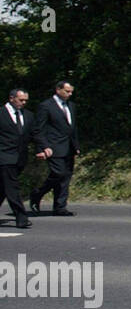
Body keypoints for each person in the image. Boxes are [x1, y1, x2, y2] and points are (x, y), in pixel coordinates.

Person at [30, 80, 79, 216]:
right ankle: (38, 193)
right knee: (58, 173)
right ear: (58, 90)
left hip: (68, 147)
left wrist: (76, 146)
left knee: (66, 177)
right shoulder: (46, 106)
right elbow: (38, 129)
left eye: (71, 92)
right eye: (67, 91)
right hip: (53, 146)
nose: (69, 94)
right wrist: (43, 147)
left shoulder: (71, 106)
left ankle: (60, 206)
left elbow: (72, 128)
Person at [1, 88, 34, 228]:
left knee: (2, 187)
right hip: (4, 157)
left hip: (20, 158)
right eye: (21, 100)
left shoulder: (28, 115)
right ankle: (21, 217)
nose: (24, 102)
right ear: (11, 98)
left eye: (26, 100)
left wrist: (44, 147)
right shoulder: (1, 113)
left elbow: (34, 134)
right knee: (12, 187)